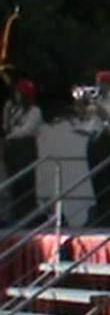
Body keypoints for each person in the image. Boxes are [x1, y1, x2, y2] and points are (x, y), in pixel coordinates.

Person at [78, 71, 110, 227]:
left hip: (107, 139)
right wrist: (81, 102)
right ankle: (100, 211)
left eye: (102, 83)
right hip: (93, 138)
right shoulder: (96, 99)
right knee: (95, 177)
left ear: (109, 84)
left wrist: (96, 105)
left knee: (107, 177)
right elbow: (84, 116)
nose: (98, 86)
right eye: (97, 83)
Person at [3, 79, 42, 223]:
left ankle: (28, 215)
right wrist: (7, 112)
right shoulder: (15, 110)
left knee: (26, 182)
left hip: (25, 147)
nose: (17, 96)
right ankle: (16, 214)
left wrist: (11, 134)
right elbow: (6, 127)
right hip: (12, 149)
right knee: (14, 183)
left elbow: (28, 129)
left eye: (20, 93)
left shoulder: (35, 111)